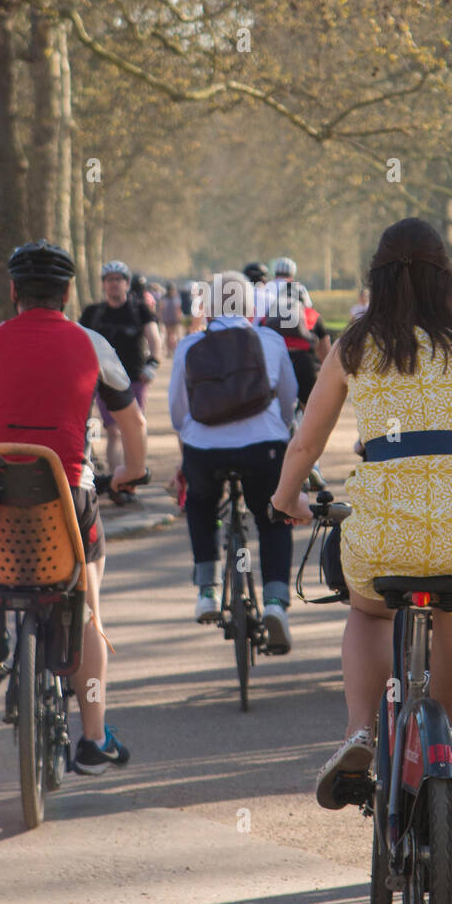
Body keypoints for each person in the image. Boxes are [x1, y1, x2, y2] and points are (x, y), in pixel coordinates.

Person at [270, 218, 452, 904]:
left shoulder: (356, 342)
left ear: (375, 274)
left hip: (382, 531)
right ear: (446, 273)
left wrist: (284, 499)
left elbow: (305, 443)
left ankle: (360, 729)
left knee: (364, 608)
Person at [0, 240, 147, 774]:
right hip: (71, 498)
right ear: (67, 293)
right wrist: (130, 473)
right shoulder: (93, 344)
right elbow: (134, 425)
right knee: (89, 611)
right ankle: (93, 738)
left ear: (12, 292)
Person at [168, 269, 299, 652]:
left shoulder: (190, 347)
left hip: (205, 450)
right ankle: (275, 602)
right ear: (250, 305)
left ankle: (207, 590)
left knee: (201, 504)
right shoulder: (270, 340)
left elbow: (179, 412)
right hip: (264, 448)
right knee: (274, 517)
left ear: (207, 306)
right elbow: (289, 400)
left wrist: (191, 435)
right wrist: (281, 429)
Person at [79, 262, 162, 476]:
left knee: (133, 428)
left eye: (119, 279)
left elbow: (154, 338)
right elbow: (77, 340)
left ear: (127, 283)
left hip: (133, 378)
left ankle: (134, 473)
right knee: (113, 431)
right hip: (102, 380)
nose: (114, 284)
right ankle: (118, 478)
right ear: (104, 285)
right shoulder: (92, 313)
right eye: (109, 280)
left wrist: (153, 363)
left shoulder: (140, 310)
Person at [158, 281, 183, 356]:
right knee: (169, 335)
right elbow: (161, 309)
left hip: (174, 319)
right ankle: (169, 351)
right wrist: (160, 318)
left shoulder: (174, 297)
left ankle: (173, 350)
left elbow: (178, 309)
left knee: (173, 335)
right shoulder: (168, 298)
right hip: (168, 319)